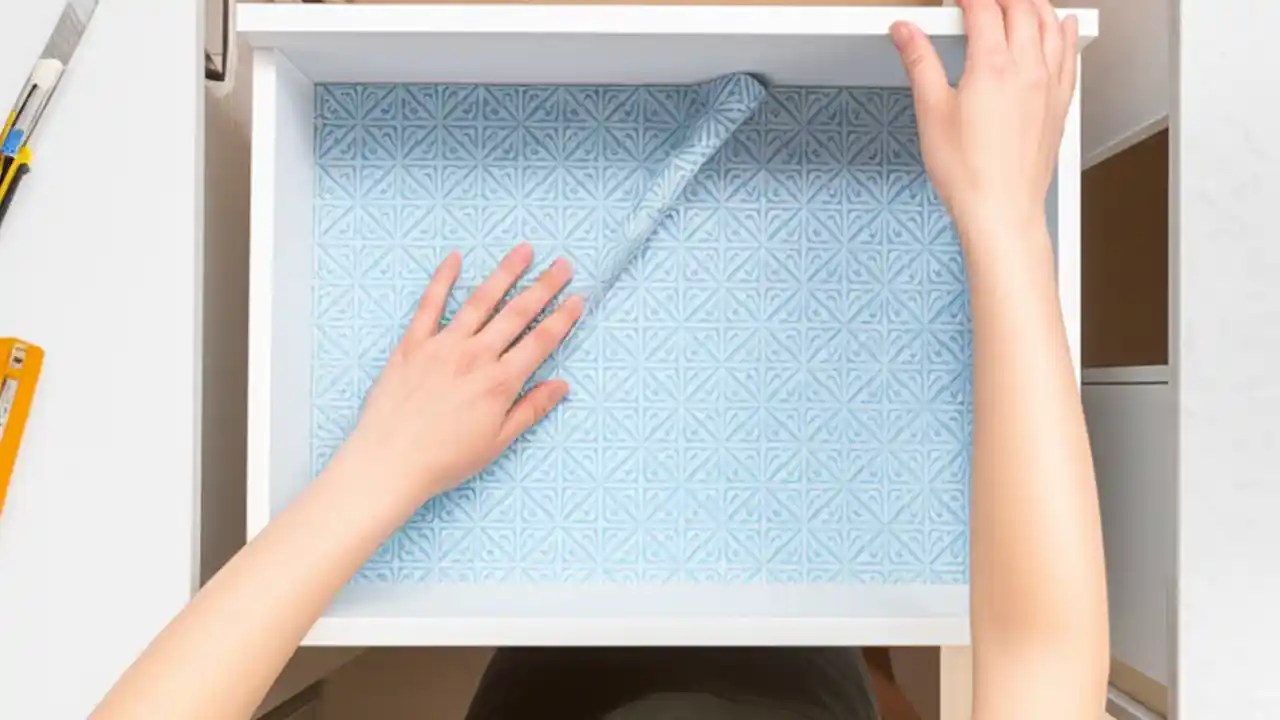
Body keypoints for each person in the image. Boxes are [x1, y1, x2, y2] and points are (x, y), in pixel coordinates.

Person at [94, 0, 1107, 717]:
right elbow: (1040, 657)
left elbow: (1039, 662)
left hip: (558, 685)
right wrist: (1005, 223)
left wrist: (381, 466)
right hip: (792, 680)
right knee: (808, 647)